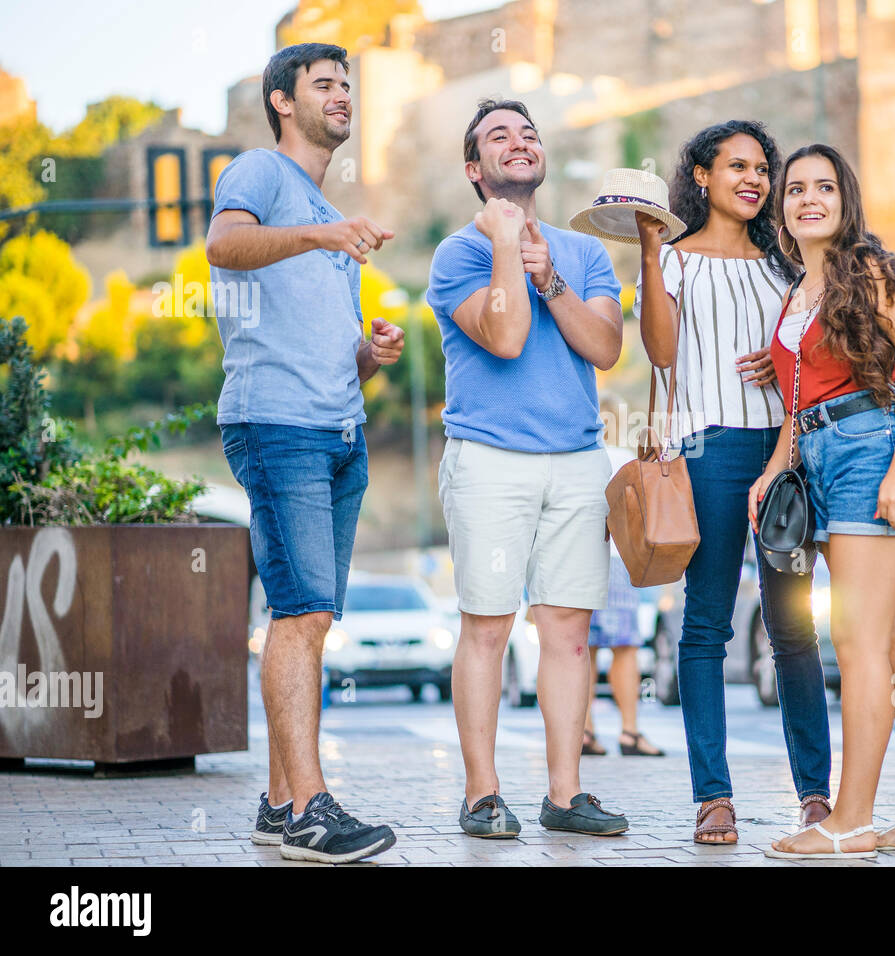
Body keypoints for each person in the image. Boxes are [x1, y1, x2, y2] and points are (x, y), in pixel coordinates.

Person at [205, 42, 405, 864]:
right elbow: (222, 246)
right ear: (283, 101)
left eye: (348, 85)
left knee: (311, 617)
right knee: (301, 613)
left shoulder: (324, 211)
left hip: (337, 430)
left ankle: (279, 803)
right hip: (276, 423)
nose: (343, 95)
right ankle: (311, 813)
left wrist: (369, 352)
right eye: (325, 84)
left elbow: (318, 339)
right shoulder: (259, 171)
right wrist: (324, 232)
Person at [750, 144, 895, 859]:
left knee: (857, 643)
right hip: (827, 459)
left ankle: (852, 819)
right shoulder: (796, 294)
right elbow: (799, 402)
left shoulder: (869, 269)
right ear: (782, 208)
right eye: (796, 189)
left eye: (825, 188)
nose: (809, 198)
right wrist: (774, 468)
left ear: (846, 201)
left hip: (877, 453)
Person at [427, 99, 630, 840]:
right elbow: (507, 339)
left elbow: (606, 349)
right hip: (488, 461)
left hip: (577, 460)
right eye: (498, 137)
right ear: (476, 171)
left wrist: (550, 279)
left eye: (529, 133)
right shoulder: (457, 255)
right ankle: (482, 794)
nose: (520, 143)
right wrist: (506, 244)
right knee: (487, 627)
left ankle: (565, 794)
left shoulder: (586, 254)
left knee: (570, 634)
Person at [635, 121, 833, 845]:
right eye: (736, 167)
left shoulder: (786, 266)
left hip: (787, 454)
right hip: (708, 449)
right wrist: (652, 254)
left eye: (761, 168)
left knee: (794, 627)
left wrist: (779, 363)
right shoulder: (675, 263)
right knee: (707, 626)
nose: (753, 179)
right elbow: (660, 353)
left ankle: (816, 796)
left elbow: (814, 348)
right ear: (700, 175)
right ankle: (712, 797)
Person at [583, 393, 665, 759]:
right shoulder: (626, 460)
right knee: (625, 648)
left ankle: (584, 730)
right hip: (618, 560)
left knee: (581, 649)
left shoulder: (582, 457)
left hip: (579, 561)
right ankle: (629, 731)